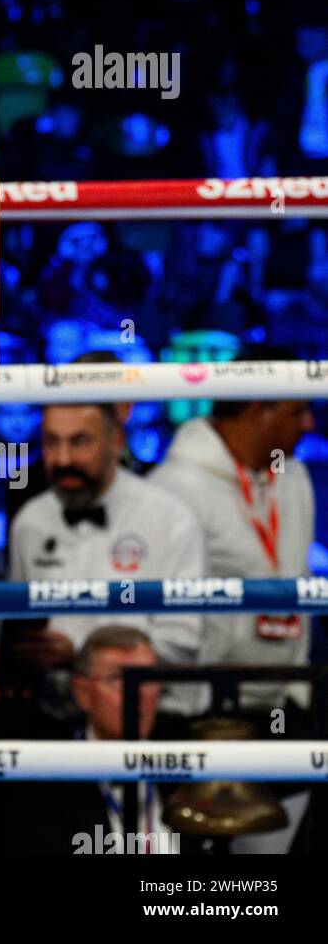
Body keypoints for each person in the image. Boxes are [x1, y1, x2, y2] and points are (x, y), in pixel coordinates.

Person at [149, 352, 318, 853]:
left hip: (287, 701)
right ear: (256, 410)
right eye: (297, 410)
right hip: (202, 713)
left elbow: (296, 577)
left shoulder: (296, 479)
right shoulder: (174, 489)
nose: (309, 422)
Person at [4, 400, 205, 716]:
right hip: (53, 722)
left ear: (116, 441)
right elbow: (14, 629)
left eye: (79, 442)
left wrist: (81, 653)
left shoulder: (171, 518)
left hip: (152, 720)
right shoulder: (31, 521)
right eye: (52, 442)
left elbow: (183, 643)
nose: (63, 459)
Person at [0, 627, 188, 855]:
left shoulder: (189, 757)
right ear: (81, 691)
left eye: (147, 678)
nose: (137, 692)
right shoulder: (45, 780)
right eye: (117, 678)